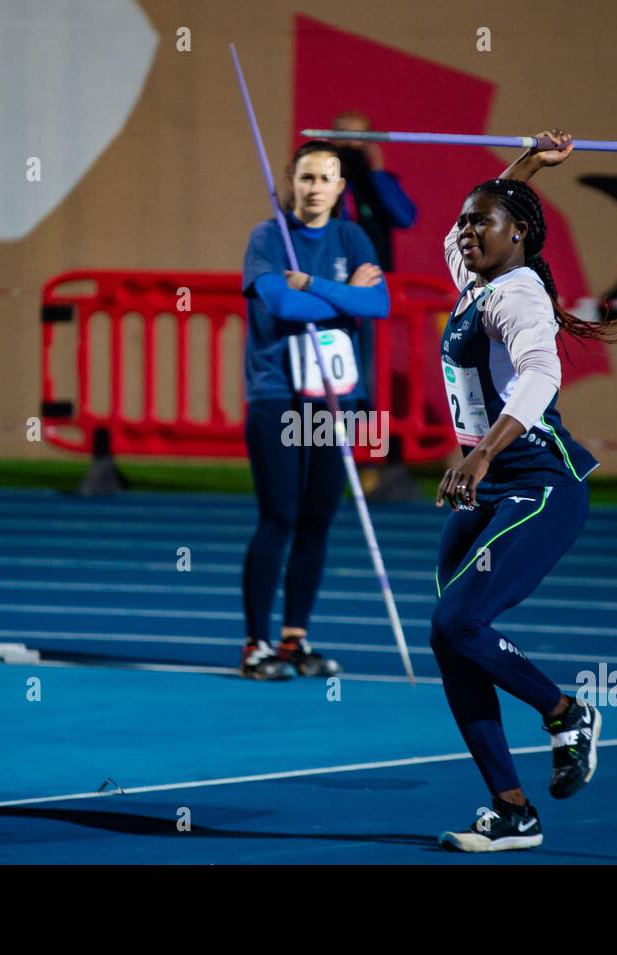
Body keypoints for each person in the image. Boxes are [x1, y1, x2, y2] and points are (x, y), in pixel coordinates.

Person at [432, 130, 617, 852]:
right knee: (453, 639)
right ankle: (511, 809)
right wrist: (531, 165)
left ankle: (566, 711)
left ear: (521, 236)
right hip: (490, 487)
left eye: (484, 223)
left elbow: (542, 378)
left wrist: (480, 453)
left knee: (458, 623)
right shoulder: (476, 276)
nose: (468, 232)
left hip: (538, 485)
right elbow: (474, 217)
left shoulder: (517, 296)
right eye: (467, 221)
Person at [239, 140, 390, 680]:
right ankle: (255, 644)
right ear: (292, 180)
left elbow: (379, 304)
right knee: (279, 516)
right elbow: (281, 304)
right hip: (277, 392)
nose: (314, 187)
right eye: (305, 177)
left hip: (333, 396)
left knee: (317, 519)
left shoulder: (352, 236)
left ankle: (294, 640)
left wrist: (319, 286)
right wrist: (343, 293)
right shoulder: (268, 237)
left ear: (340, 187)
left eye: (326, 178)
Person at [329, 110, 423, 501]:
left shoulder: (377, 183)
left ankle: (369, 462)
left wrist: (377, 175)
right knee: (332, 379)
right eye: (343, 137)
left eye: (359, 138)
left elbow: (406, 217)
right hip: (329, 297)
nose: (351, 146)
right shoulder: (327, 183)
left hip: (368, 299)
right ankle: (328, 461)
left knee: (367, 380)